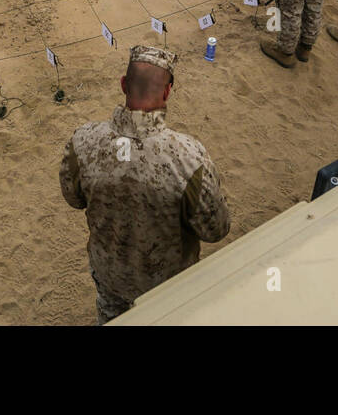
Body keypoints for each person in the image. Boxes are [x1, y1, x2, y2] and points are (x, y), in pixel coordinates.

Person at [59, 44, 230, 324]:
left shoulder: (83, 141)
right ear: (167, 92)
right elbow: (215, 230)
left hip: (109, 272)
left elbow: (74, 199)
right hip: (167, 286)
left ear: (124, 84)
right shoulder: (189, 158)